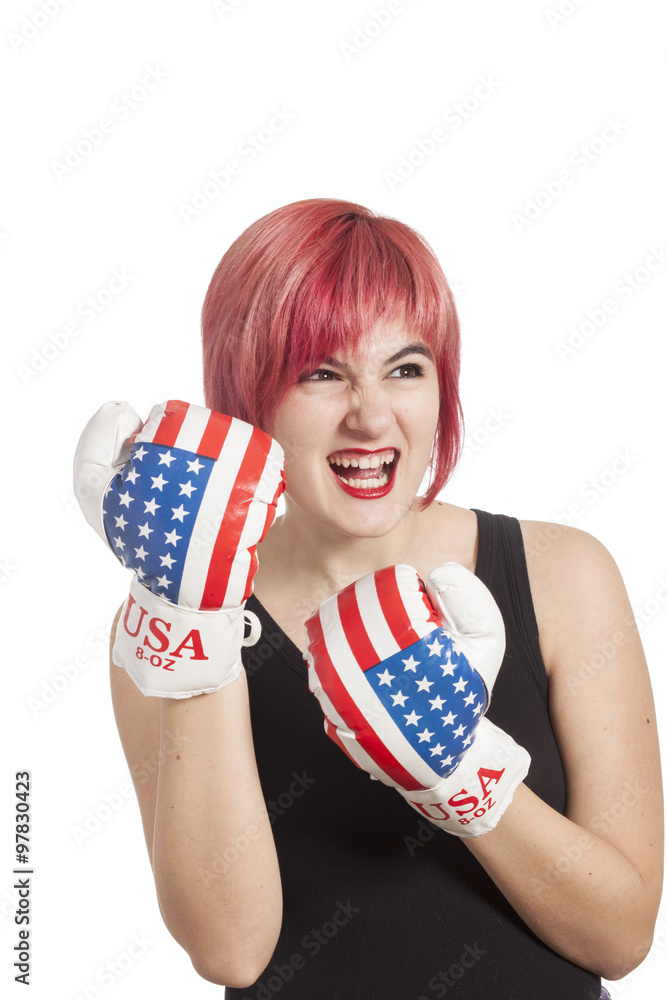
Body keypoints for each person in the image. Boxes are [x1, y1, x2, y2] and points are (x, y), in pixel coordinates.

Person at [92, 199, 662, 998]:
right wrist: (196, 618)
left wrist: (456, 770)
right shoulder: (166, 622)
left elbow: (621, 937)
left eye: (404, 369)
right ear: (248, 393)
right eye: (321, 374)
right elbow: (230, 952)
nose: (369, 416)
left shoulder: (561, 574)